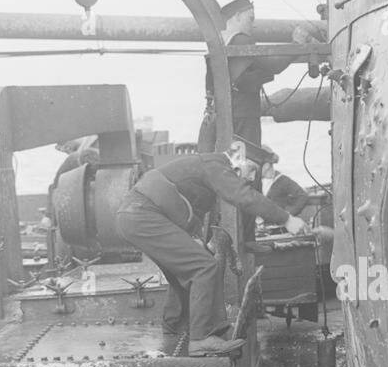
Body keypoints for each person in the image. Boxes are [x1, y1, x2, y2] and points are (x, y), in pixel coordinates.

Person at [116, 150, 307, 355]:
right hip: (143, 214)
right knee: (204, 267)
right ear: (237, 157)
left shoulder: (203, 170)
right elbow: (243, 196)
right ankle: (201, 338)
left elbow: (189, 209)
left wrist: (199, 239)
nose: (252, 177)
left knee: (184, 269)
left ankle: (175, 326)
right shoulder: (214, 164)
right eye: (251, 169)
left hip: (135, 215)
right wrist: (286, 218)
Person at [202, 0, 284, 153]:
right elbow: (274, 65)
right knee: (249, 159)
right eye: (250, 19)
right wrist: (297, 45)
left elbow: (235, 79)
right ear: (238, 16)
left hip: (225, 116)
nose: (252, 25)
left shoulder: (220, 42)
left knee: (230, 159)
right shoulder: (241, 40)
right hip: (244, 115)